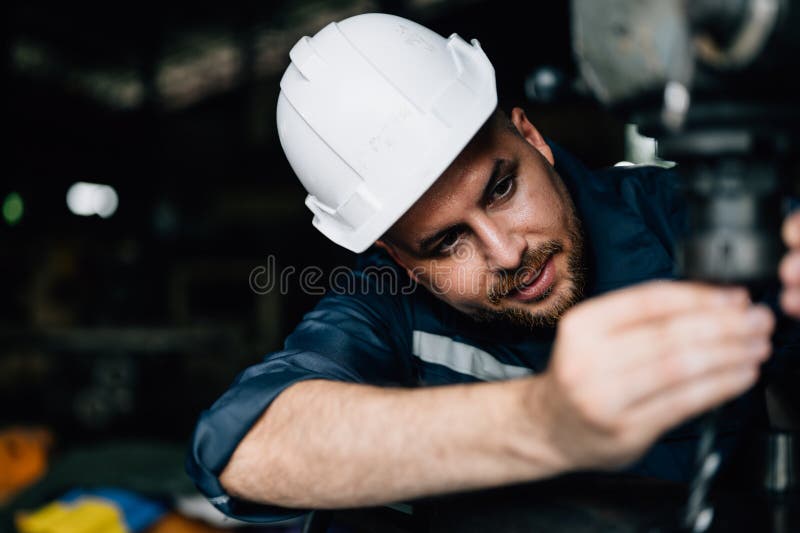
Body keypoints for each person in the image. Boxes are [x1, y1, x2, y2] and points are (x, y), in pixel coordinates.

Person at [185, 13, 800, 522]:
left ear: (530, 136)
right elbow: (244, 448)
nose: (506, 253)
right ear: (399, 259)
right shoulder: (387, 308)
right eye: (447, 242)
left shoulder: (690, 222)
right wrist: (545, 420)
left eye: (502, 189)